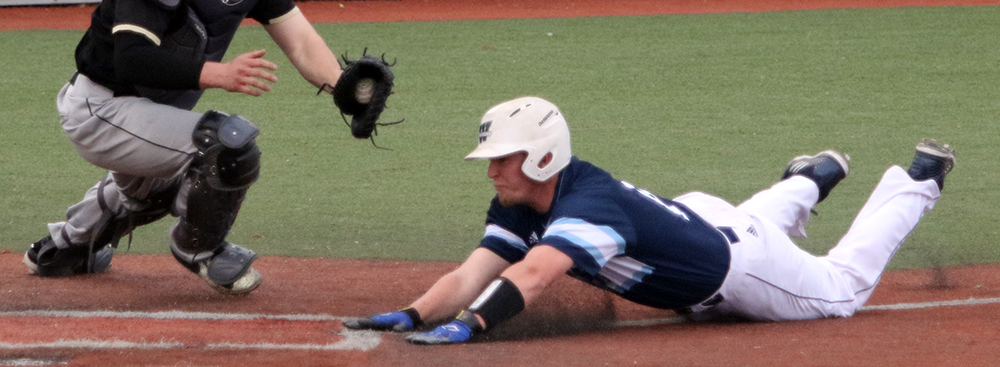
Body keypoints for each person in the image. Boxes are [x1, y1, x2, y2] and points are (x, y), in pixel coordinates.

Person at [345, 96, 954, 344]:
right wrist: (416, 312)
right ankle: (810, 179)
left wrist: (472, 327)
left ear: (541, 157)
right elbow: (472, 272)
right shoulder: (520, 201)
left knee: (841, 290)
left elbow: (532, 277)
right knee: (747, 222)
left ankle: (916, 182)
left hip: (741, 268)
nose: (491, 173)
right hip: (706, 224)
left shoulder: (588, 205)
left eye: (502, 160)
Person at [24, 0, 350, 295]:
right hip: (103, 109)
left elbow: (299, 39)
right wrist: (218, 74)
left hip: (148, 116)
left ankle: (67, 246)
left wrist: (342, 86)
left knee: (153, 190)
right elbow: (132, 58)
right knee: (226, 146)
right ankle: (200, 249)